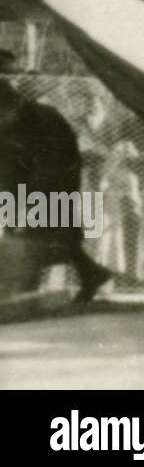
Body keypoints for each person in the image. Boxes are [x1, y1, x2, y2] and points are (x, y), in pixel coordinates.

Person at [0, 50, 112, 302]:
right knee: (49, 230)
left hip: (42, 175)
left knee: (36, 231)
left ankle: (24, 291)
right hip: (38, 175)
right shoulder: (31, 109)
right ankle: (89, 273)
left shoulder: (24, 109)